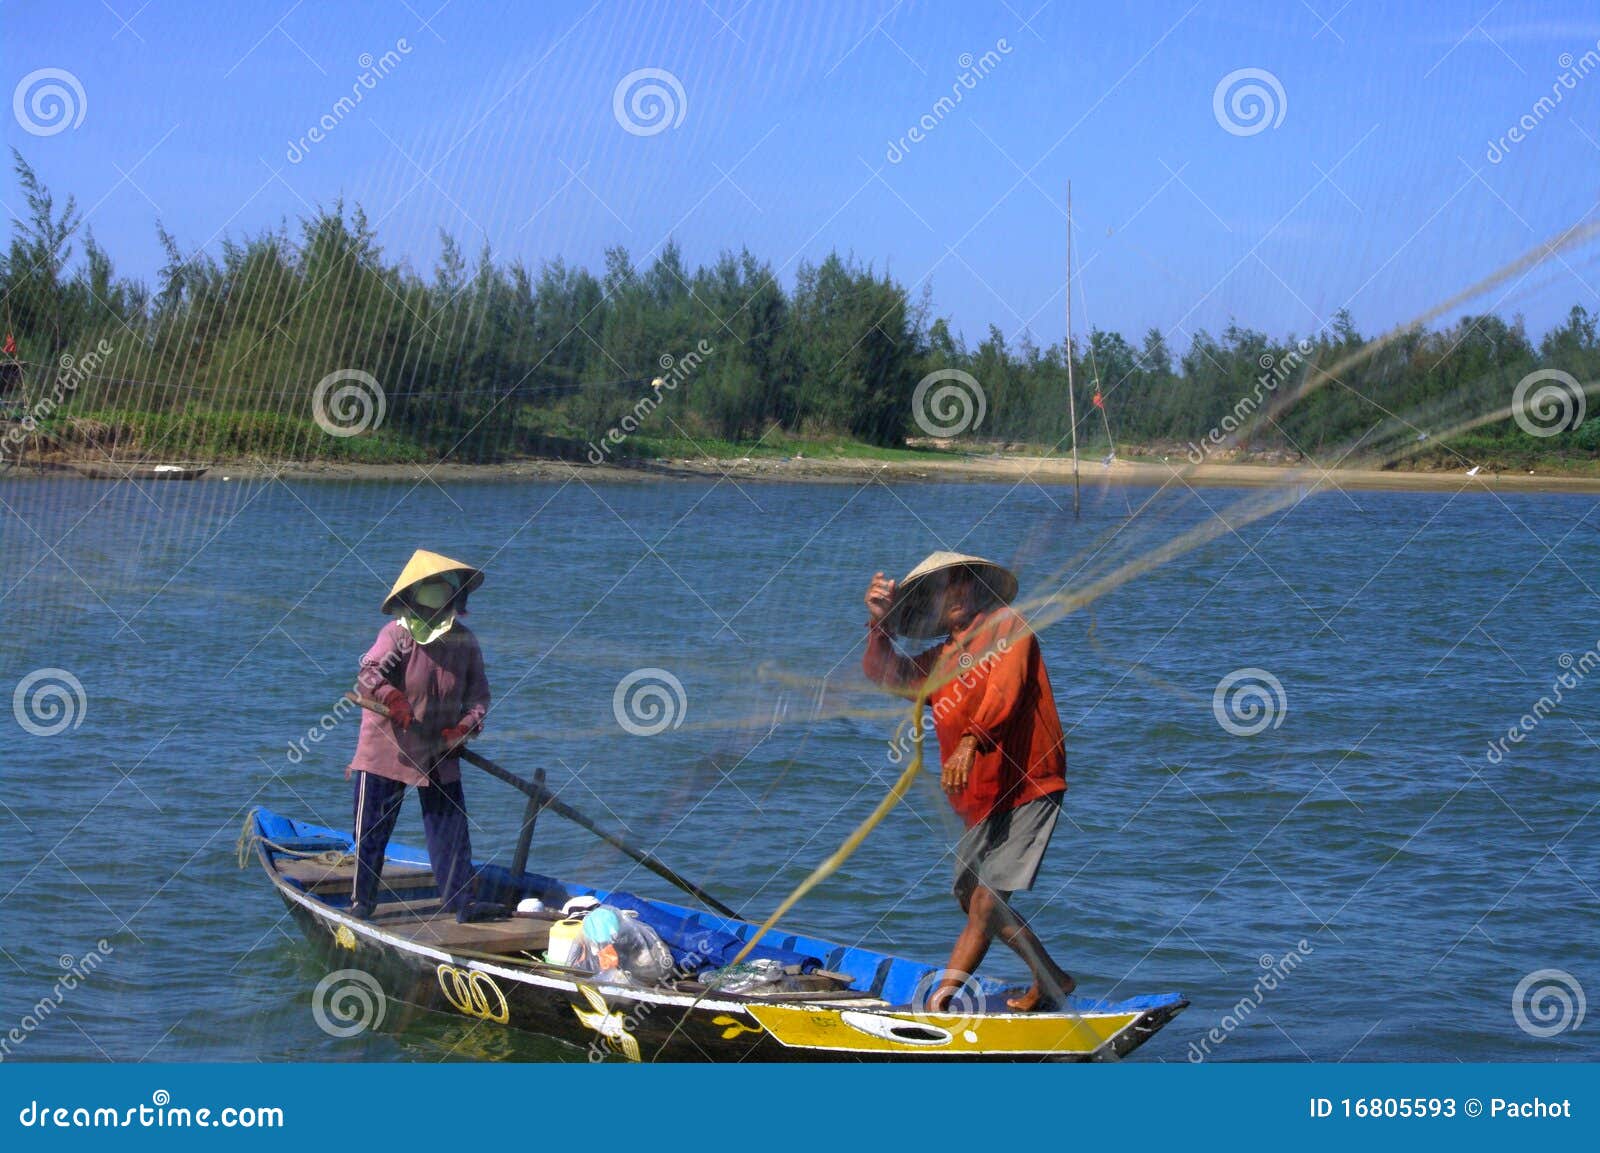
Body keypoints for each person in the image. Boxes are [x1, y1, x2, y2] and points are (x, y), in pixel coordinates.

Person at [862, 550, 1075, 1012]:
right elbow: (890, 676)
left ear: (978, 588)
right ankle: (1052, 978)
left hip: (1028, 784)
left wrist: (969, 742)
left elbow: (1006, 689)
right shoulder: (941, 658)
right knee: (970, 896)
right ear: (931, 608)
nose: (952, 594)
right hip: (982, 798)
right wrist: (879, 626)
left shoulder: (1006, 625)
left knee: (984, 900)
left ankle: (943, 995)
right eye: (941, 590)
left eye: (960, 582)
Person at [347, 549, 492, 923]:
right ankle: (362, 902)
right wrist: (393, 697)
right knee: (373, 830)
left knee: (450, 828)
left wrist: (464, 727)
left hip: (439, 749)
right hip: (388, 747)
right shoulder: (397, 636)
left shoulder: (464, 643)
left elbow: (479, 698)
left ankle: (462, 902)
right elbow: (368, 677)